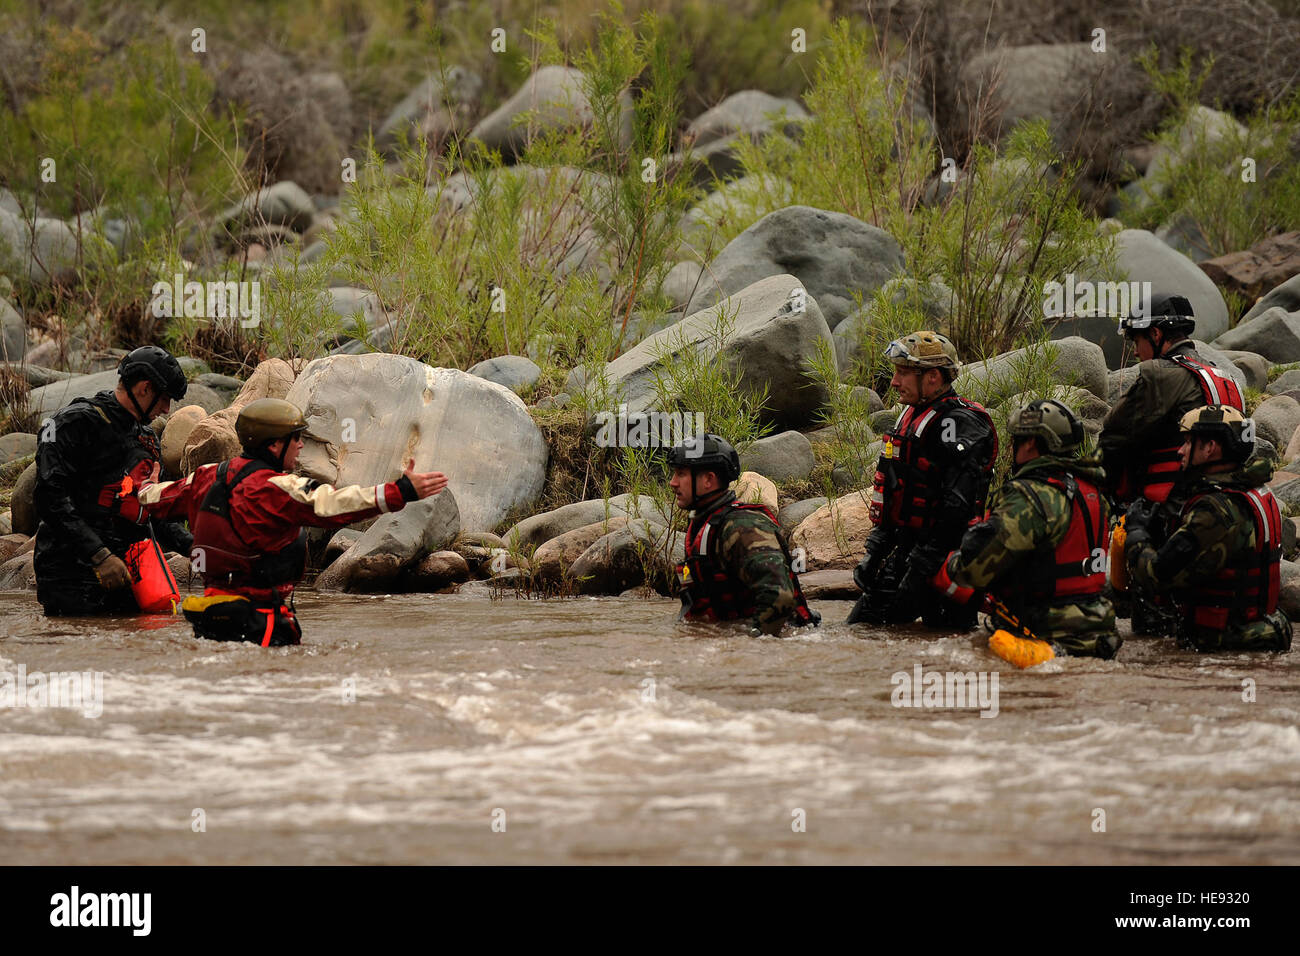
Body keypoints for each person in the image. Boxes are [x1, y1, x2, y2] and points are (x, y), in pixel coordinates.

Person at [138, 398, 448, 646]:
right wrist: (401, 492)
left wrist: (145, 487)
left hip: (210, 618)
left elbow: (155, 499)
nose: (301, 446)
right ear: (274, 445)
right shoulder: (280, 488)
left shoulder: (204, 477)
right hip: (261, 623)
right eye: (296, 438)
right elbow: (335, 505)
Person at [937, 399, 1119, 659]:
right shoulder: (1092, 493)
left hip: (1042, 638)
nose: (1012, 447)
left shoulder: (1028, 496)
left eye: (1015, 440)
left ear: (1031, 442)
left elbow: (974, 571)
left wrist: (951, 563)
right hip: (1099, 634)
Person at [848, 330, 997, 628]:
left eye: (903, 373)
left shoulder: (961, 423)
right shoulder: (911, 415)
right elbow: (893, 489)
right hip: (909, 549)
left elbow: (957, 508)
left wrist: (920, 569)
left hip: (947, 558)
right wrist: (874, 552)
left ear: (933, 377)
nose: (894, 381)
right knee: (863, 629)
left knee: (948, 641)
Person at [34, 345, 191, 616]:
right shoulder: (72, 424)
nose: (166, 409)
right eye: (165, 399)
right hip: (70, 575)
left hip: (128, 574)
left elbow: (155, 511)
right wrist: (99, 555)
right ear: (144, 388)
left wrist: (197, 548)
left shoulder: (147, 439)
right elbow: (49, 497)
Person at [1125, 405, 1292, 652]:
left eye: (1189, 442)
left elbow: (1158, 576)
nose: (1180, 451)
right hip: (1262, 632)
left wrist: (1137, 536)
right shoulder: (1255, 491)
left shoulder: (1215, 510)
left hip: (1224, 643)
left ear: (1210, 448)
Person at [668, 433, 819, 635]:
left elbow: (779, 597)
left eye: (681, 474)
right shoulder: (706, 525)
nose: (673, 482)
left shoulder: (743, 526)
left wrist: (749, 647)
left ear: (708, 480)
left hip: (778, 646)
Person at [1101, 292, 1244, 506]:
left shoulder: (1159, 374)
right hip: (1225, 499)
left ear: (1156, 334)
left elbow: (1113, 428)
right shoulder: (1222, 376)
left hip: (1170, 504)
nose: (1136, 353)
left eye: (1136, 341)